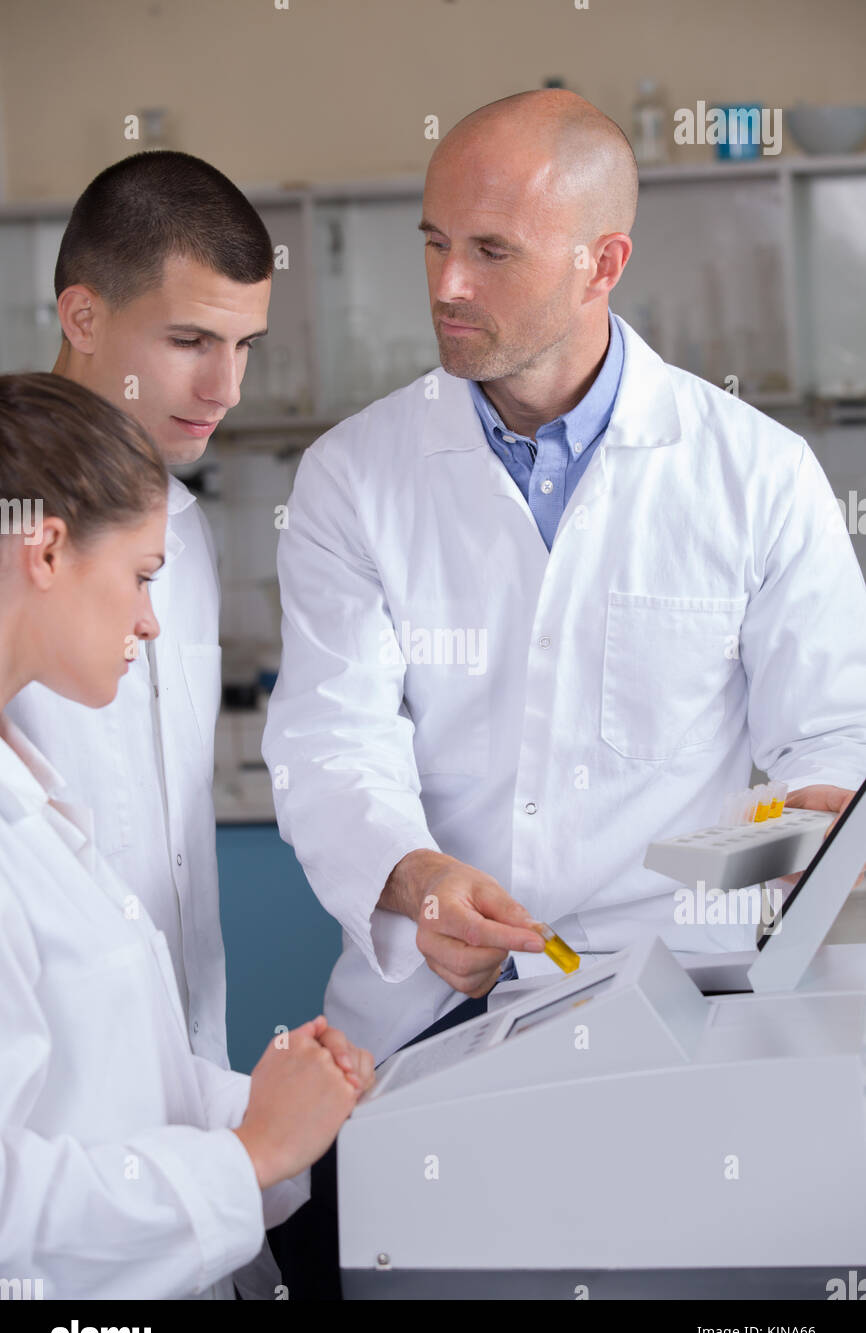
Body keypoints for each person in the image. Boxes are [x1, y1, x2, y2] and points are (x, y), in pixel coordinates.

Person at [263, 88, 866, 1062]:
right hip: (432, 1009)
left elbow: (831, 737)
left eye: (491, 251)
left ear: (603, 263)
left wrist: (789, 834)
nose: (447, 283)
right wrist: (417, 879)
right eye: (432, 242)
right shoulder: (353, 473)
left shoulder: (753, 471)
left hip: (673, 1008)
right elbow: (333, 735)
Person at [0, 372, 374, 1299]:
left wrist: (276, 1110)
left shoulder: (31, 797)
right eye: (139, 576)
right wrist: (250, 1151)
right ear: (46, 550)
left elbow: (110, 1090)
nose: (148, 619)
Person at [8, 151, 277, 1294]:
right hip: (57, 1167)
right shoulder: (22, 527)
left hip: (175, 1102)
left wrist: (238, 1134)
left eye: (244, 349)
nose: (224, 387)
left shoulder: (191, 540)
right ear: (81, 311)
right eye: (189, 341)